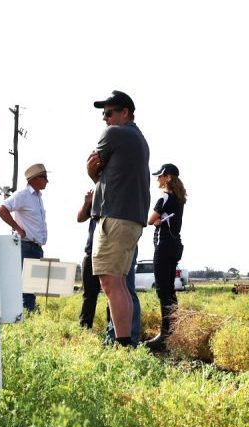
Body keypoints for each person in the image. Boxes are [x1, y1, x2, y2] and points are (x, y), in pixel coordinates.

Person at [85, 90, 150, 347]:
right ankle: (124, 344)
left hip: (116, 217)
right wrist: (96, 173)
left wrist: (91, 170)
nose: (105, 118)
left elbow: (95, 166)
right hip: (128, 218)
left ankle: (122, 345)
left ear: (126, 112)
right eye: (103, 114)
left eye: (109, 112)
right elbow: (106, 178)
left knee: (110, 282)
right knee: (119, 283)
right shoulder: (138, 138)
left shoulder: (115, 133)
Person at [77, 188, 140, 339]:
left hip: (115, 249)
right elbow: (79, 218)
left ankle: (118, 336)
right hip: (92, 252)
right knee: (90, 295)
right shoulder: (97, 195)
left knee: (117, 290)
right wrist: (87, 204)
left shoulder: (118, 194)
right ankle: (85, 330)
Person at [145, 162, 187, 350]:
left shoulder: (164, 197)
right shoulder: (179, 199)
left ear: (167, 177)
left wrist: (157, 222)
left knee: (163, 291)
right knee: (170, 291)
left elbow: (150, 219)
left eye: (160, 175)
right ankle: (172, 332)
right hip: (175, 246)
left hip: (163, 247)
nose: (157, 179)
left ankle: (164, 336)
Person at [0, 163, 49, 313]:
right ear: (35, 179)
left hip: (36, 247)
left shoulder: (38, 197)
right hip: (25, 246)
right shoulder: (23, 195)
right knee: (26, 287)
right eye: (45, 177)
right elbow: (2, 210)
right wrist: (17, 228)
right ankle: (25, 316)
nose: (47, 181)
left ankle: (28, 315)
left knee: (31, 286)